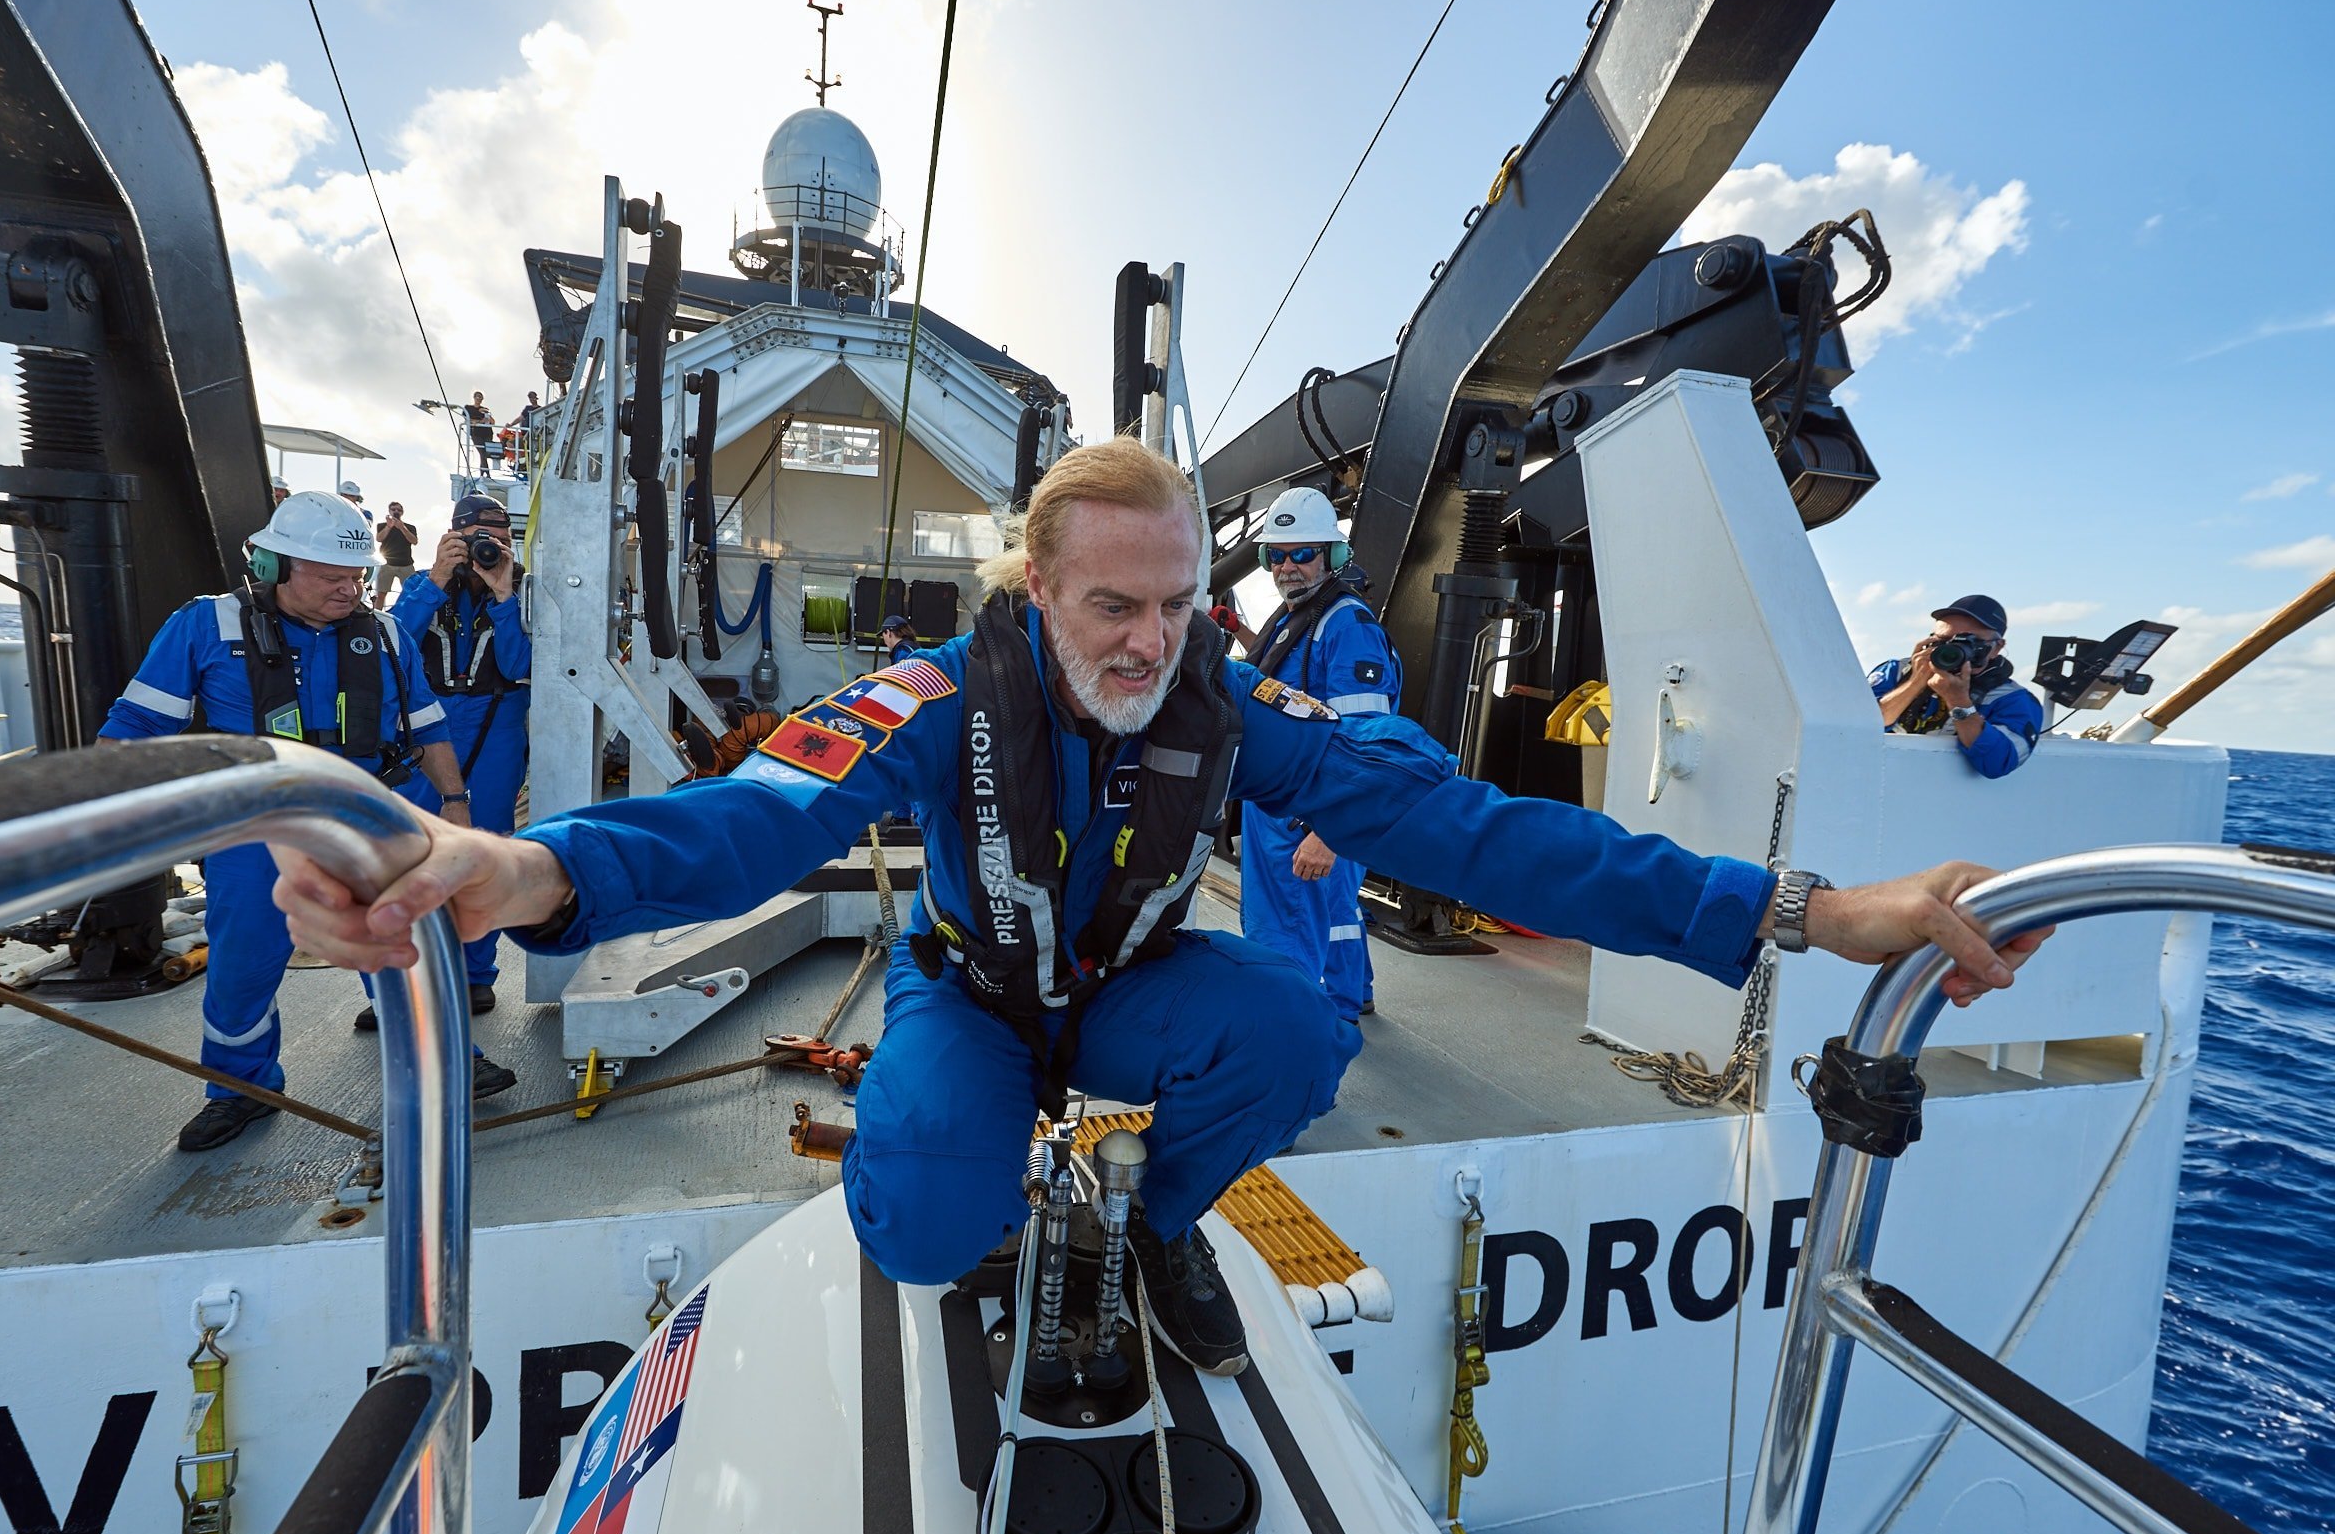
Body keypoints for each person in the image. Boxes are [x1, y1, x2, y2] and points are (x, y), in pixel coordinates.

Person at [269, 441, 2047, 1375]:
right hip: (971, 999)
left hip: (1130, 999)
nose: (1148, 638)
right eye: (1112, 602)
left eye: (1178, 602)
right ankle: (984, 1226)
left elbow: (1497, 836)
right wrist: (528, 871)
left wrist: (1818, 910)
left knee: (1294, 1022)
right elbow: (747, 814)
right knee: (927, 1207)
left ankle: (1149, 1222)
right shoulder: (925, 701)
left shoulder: (1237, 713)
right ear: (1034, 586)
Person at [95, 490, 521, 1152]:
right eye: (330, 577)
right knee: (243, 960)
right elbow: (133, 732)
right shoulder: (205, 627)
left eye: (356, 576)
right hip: (259, 828)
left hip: (371, 815)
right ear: (272, 566)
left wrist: (456, 804)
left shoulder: (383, 631)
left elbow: (429, 726)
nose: (348, 590)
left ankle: (445, 1058)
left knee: (404, 944)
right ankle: (240, 1090)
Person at [1236, 487, 1399, 1021]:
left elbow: (1368, 740)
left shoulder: (1346, 629)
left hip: (1310, 823)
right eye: (1275, 555)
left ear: (1332, 556)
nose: (1287, 566)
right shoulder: (1293, 619)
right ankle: (1351, 995)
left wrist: (1329, 834)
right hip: (1281, 814)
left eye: (1302, 553)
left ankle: (1295, 1042)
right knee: (1332, 919)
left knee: (1286, 935)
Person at [373, 492, 530, 1019]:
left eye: (501, 536)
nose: (491, 546)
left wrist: (504, 596)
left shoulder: (523, 590)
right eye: (478, 537)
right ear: (454, 536)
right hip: (425, 724)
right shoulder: (424, 584)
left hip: (496, 723)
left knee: (484, 848)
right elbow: (390, 649)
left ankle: (474, 974)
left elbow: (519, 666)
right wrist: (436, 579)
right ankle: (404, 979)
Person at [1870, 594, 2043, 779]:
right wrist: (1914, 682)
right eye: (1943, 641)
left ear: (1997, 648)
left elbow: (1997, 763)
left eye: (1970, 642)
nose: (1953, 649)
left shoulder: (2012, 699)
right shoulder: (1896, 672)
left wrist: (1959, 702)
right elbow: (1860, 726)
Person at [374, 501, 420, 606]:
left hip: (406, 565)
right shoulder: (382, 526)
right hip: (387, 564)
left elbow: (414, 541)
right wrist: (389, 527)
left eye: (398, 510)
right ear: (389, 511)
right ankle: (376, 618)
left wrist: (402, 528)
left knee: (411, 593)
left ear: (402, 512)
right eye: (393, 509)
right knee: (381, 594)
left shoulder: (410, 527)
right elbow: (379, 538)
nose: (396, 512)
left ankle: (410, 618)